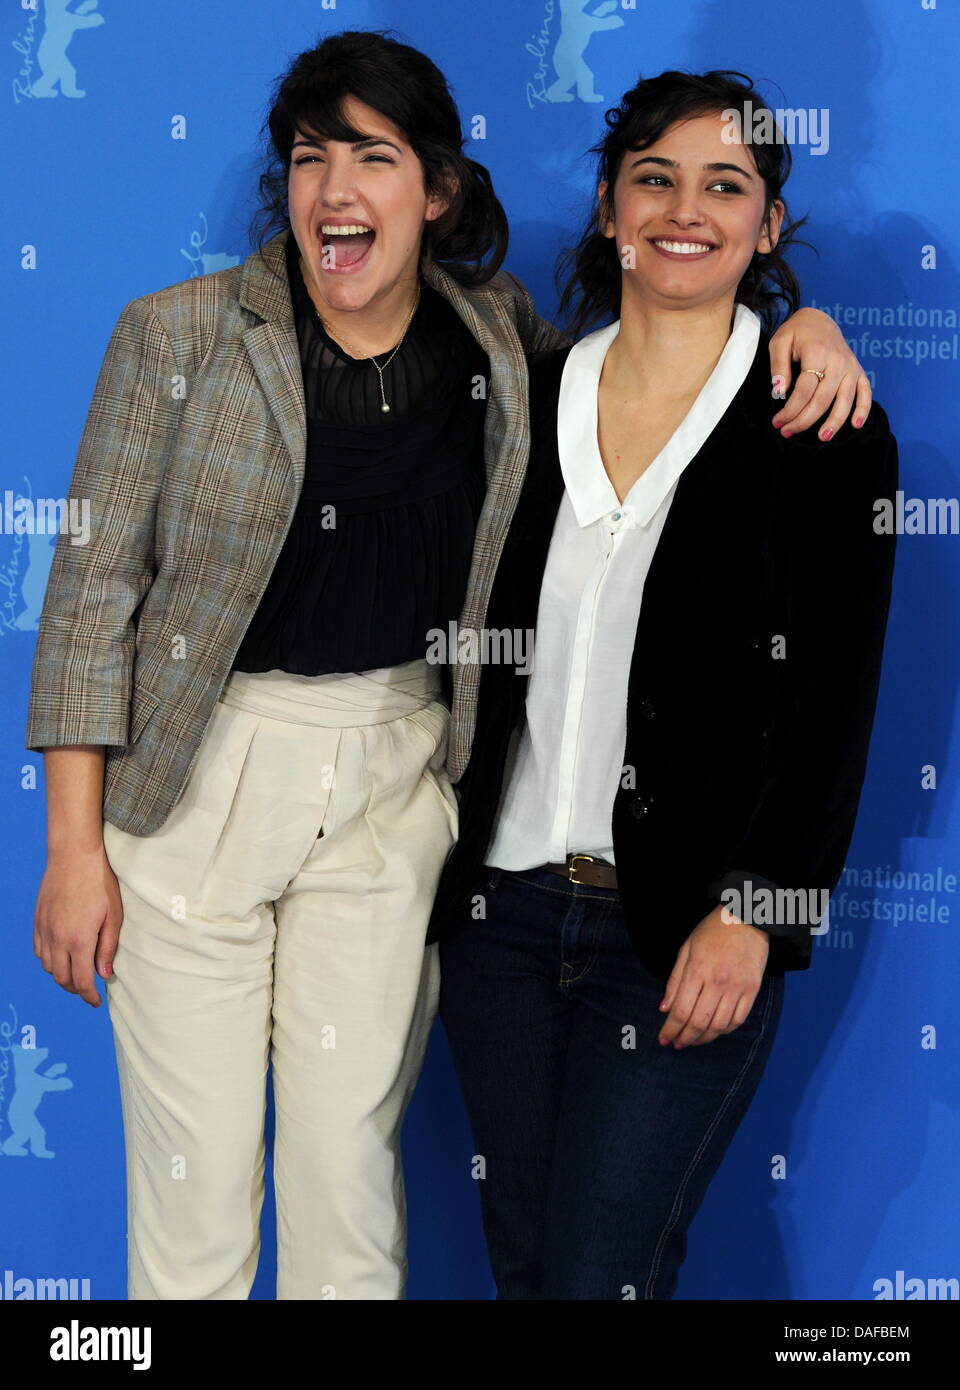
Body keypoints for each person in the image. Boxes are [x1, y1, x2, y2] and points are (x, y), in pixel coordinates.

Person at [25, 30, 874, 1302]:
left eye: (376, 155)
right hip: (212, 788)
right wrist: (72, 849)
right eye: (313, 158)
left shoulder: (508, 349)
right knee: (198, 1199)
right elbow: (91, 603)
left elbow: (825, 703)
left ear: (438, 191)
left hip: (399, 791)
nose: (337, 190)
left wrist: (809, 322)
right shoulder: (198, 339)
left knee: (356, 1190)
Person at [430, 69, 898, 1301]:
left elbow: (832, 707)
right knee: (527, 1269)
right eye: (656, 177)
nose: (687, 209)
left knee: (601, 1278)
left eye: (726, 185)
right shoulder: (528, 393)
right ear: (606, 206)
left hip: (686, 931)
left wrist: (759, 910)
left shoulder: (817, 416)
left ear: (768, 227)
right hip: (502, 928)